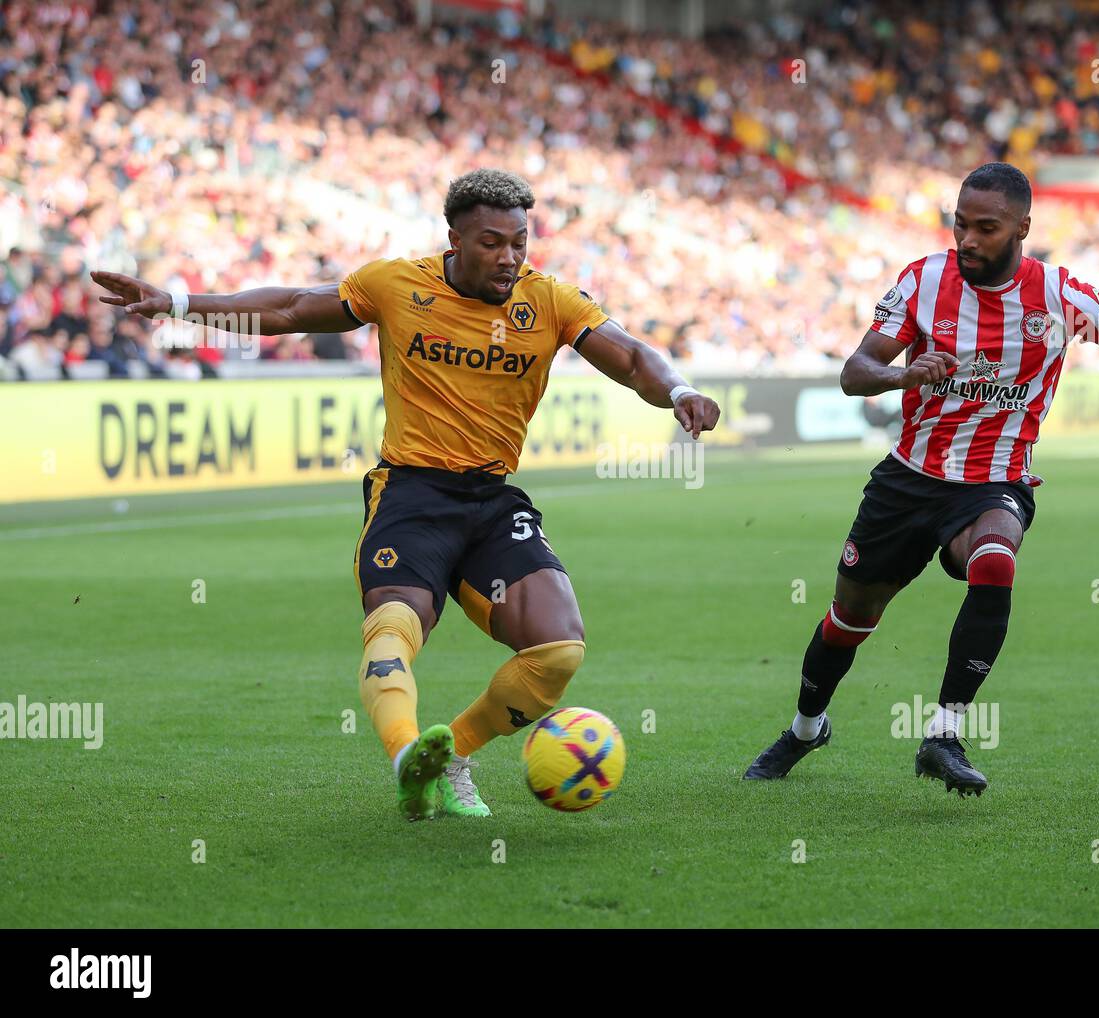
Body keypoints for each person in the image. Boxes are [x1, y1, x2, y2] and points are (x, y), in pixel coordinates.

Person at [94, 168, 720, 819]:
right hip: (412, 497)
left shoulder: (550, 301)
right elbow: (289, 308)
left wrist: (677, 391)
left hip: (491, 502)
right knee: (395, 627)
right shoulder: (396, 285)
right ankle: (405, 759)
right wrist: (176, 303)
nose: (508, 257)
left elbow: (630, 355)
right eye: (490, 242)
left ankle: (452, 755)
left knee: (558, 650)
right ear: (453, 238)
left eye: (519, 241)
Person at [743, 162, 1099, 796]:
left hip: (995, 480)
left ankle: (943, 733)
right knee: (850, 617)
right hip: (908, 478)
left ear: (1023, 227)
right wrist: (903, 376)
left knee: (995, 559)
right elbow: (855, 370)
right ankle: (806, 730)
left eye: (986, 228)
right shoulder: (923, 281)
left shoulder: (1058, 297)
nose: (967, 239)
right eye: (960, 224)